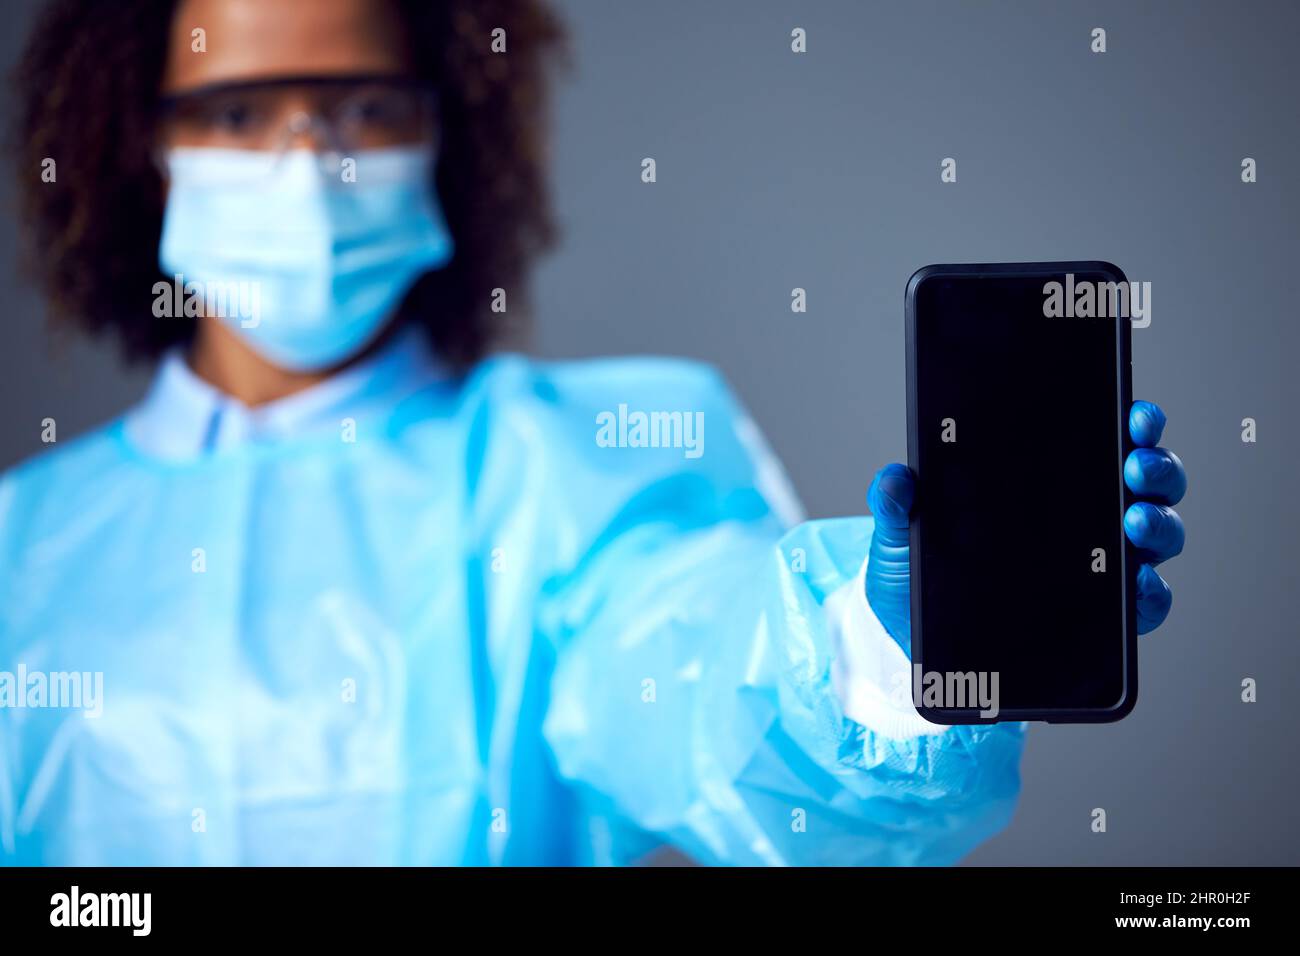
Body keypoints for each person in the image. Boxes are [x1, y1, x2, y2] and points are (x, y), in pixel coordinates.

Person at [0, 0, 1186, 866]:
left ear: (446, 136)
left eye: (366, 106)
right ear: (134, 144)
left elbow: (684, 669)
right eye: (241, 110)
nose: (310, 158)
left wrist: (878, 647)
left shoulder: (566, 470)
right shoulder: (24, 545)